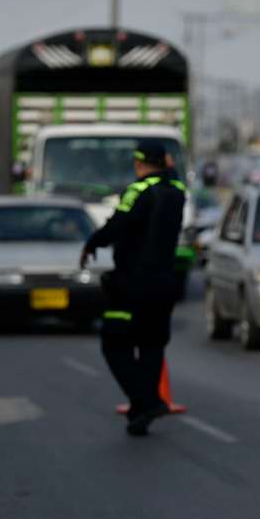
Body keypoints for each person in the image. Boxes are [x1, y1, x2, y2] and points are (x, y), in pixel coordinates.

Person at [79, 141, 186, 436]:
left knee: (114, 344)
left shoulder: (138, 191)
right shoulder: (176, 192)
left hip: (133, 284)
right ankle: (142, 414)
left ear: (139, 163)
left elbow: (118, 225)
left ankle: (147, 400)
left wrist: (92, 243)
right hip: (165, 282)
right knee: (151, 346)